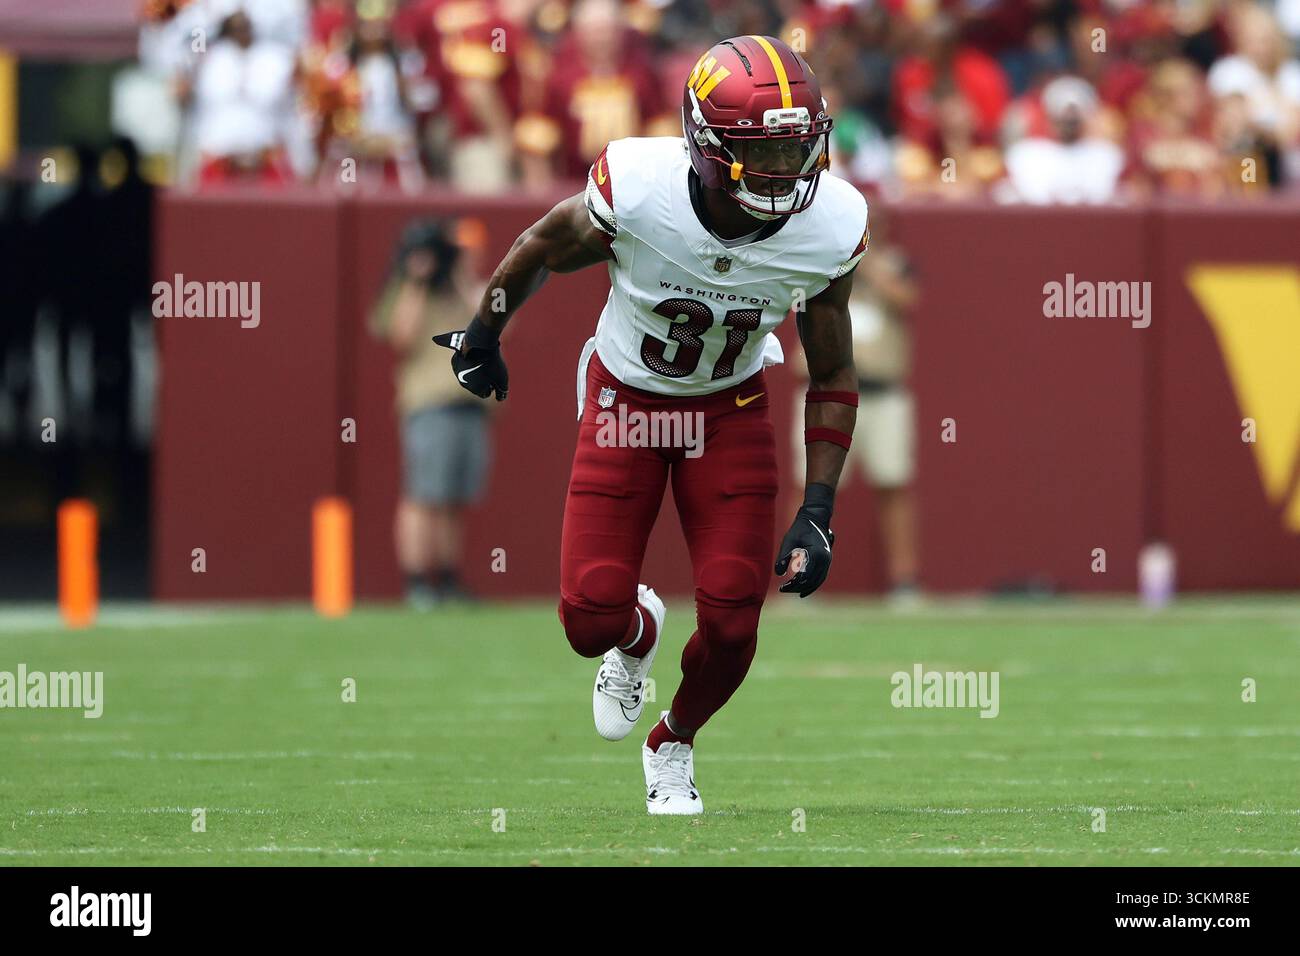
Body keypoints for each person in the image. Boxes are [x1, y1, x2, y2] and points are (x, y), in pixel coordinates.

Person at [434, 36, 869, 814]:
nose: (789, 170)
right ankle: (637, 636)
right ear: (705, 146)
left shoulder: (830, 223)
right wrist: (483, 332)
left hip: (729, 409)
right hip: (626, 399)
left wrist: (820, 510)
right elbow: (540, 245)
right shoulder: (639, 187)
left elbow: (833, 371)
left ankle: (673, 742)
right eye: (764, 152)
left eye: (800, 144)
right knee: (588, 618)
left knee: (736, 620)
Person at [371, 219, 488, 607]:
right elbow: (400, 337)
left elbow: (495, 324)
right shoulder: (405, 289)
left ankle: (449, 578)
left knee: (455, 498)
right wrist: (417, 280)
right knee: (423, 495)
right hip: (429, 404)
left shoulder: (465, 288)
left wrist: (460, 274)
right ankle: (417, 580)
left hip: (470, 404)